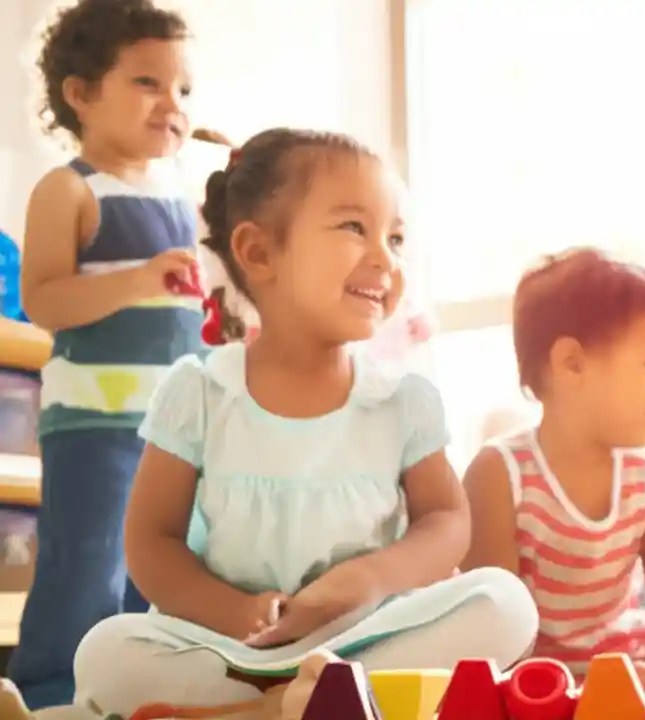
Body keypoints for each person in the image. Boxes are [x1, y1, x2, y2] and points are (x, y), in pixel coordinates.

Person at [60, 128, 537, 715]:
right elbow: (151, 544)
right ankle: (301, 705)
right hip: (233, 648)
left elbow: (445, 520)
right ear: (259, 252)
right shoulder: (202, 391)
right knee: (106, 652)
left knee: (505, 604)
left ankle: (279, 709)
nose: (385, 258)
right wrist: (234, 613)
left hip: (369, 637)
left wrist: (369, 580)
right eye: (354, 227)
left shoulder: (402, 401)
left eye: (396, 237)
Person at [11, 0, 205, 707]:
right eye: (148, 83)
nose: (172, 105)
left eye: (183, 90)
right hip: (96, 424)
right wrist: (140, 277)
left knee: (156, 570)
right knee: (88, 562)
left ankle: (128, 692)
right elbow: (45, 301)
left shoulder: (183, 201)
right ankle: (51, 692)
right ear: (81, 94)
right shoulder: (71, 190)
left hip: (175, 431)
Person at [460, 248, 645, 681]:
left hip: (623, 679)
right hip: (530, 692)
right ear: (572, 363)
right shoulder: (499, 475)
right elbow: (491, 629)